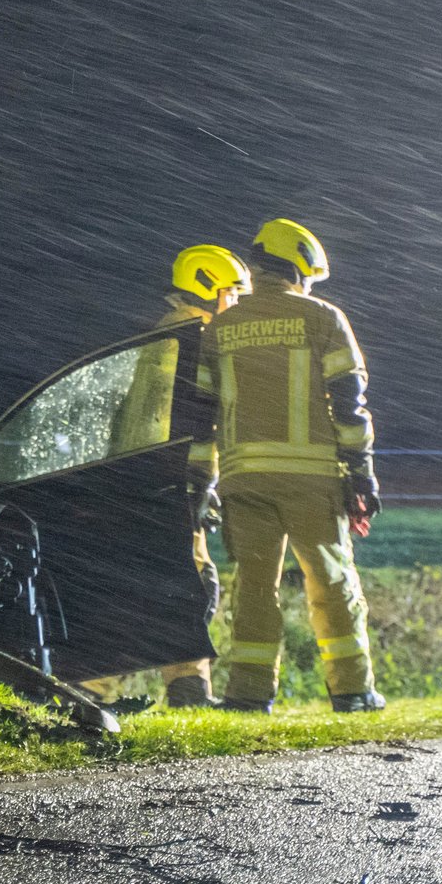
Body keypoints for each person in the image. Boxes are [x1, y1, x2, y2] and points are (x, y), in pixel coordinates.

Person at [195, 218, 383, 713]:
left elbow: (200, 411)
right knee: (332, 583)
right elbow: (348, 401)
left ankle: (247, 695)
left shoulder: (220, 328)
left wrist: (200, 482)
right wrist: (361, 470)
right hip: (311, 476)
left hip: (243, 479)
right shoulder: (323, 318)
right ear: (299, 269)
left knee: (255, 587)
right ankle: (352, 691)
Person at [150, 244, 251, 709]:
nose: (236, 303)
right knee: (193, 578)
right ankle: (188, 689)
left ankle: (188, 686)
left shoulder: (170, 332)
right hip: (181, 473)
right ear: (207, 285)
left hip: (170, 471)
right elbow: (197, 414)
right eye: (232, 292)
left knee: (184, 572)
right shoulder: (196, 336)